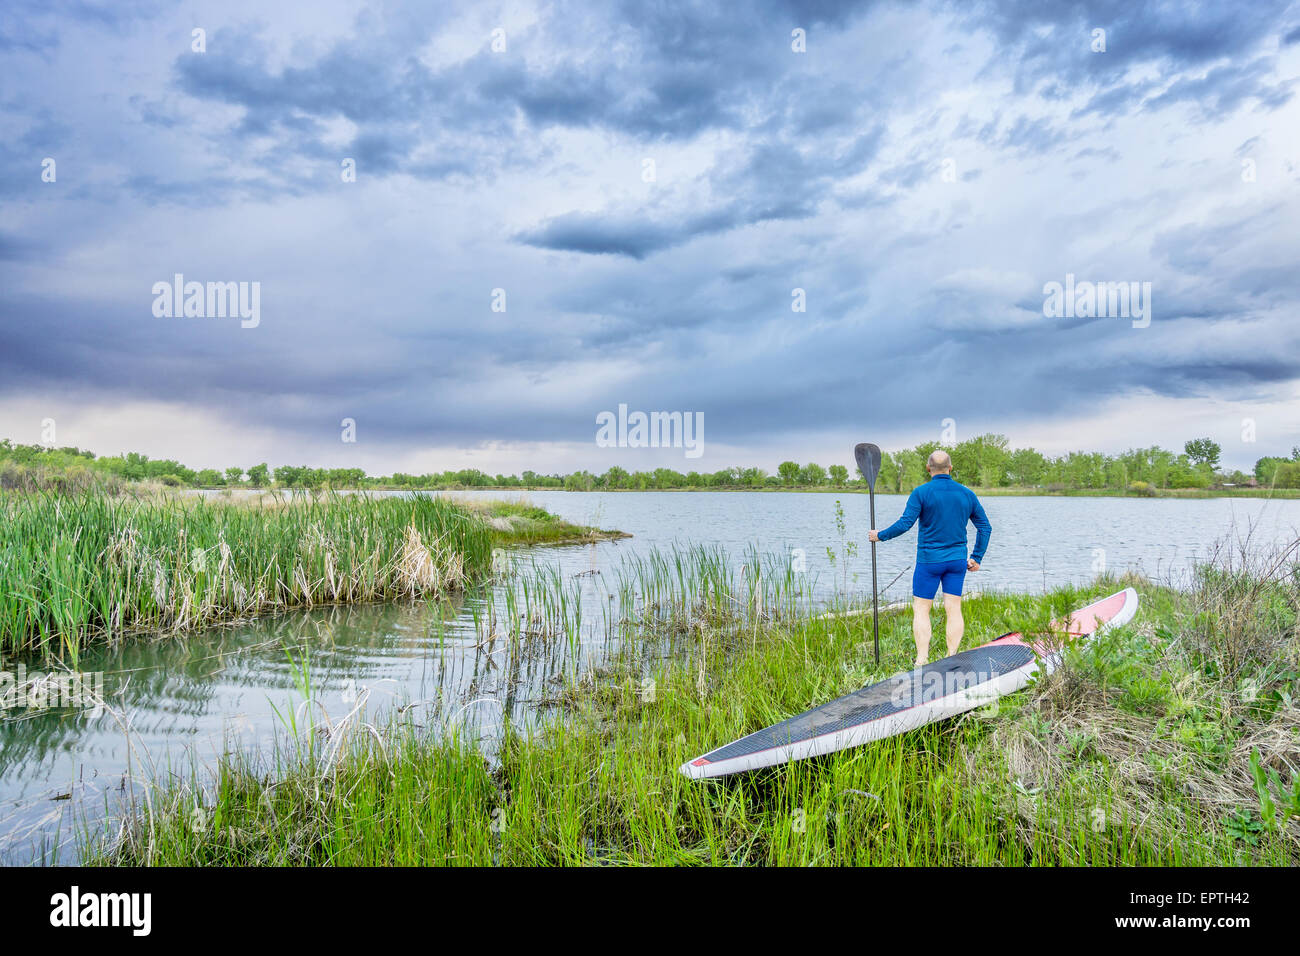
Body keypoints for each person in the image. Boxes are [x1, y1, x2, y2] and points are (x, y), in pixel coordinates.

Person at [868, 450, 991, 666]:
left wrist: (880, 536)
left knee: (922, 609)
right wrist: (976, 557)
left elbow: (905, 524)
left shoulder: (921, 492)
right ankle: (951, 657)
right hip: (957, 562)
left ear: (928, 468)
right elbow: (985, 527)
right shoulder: (966, 494)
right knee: (953, 608)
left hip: (929, 562)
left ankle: (922, 659)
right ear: (950, 468)